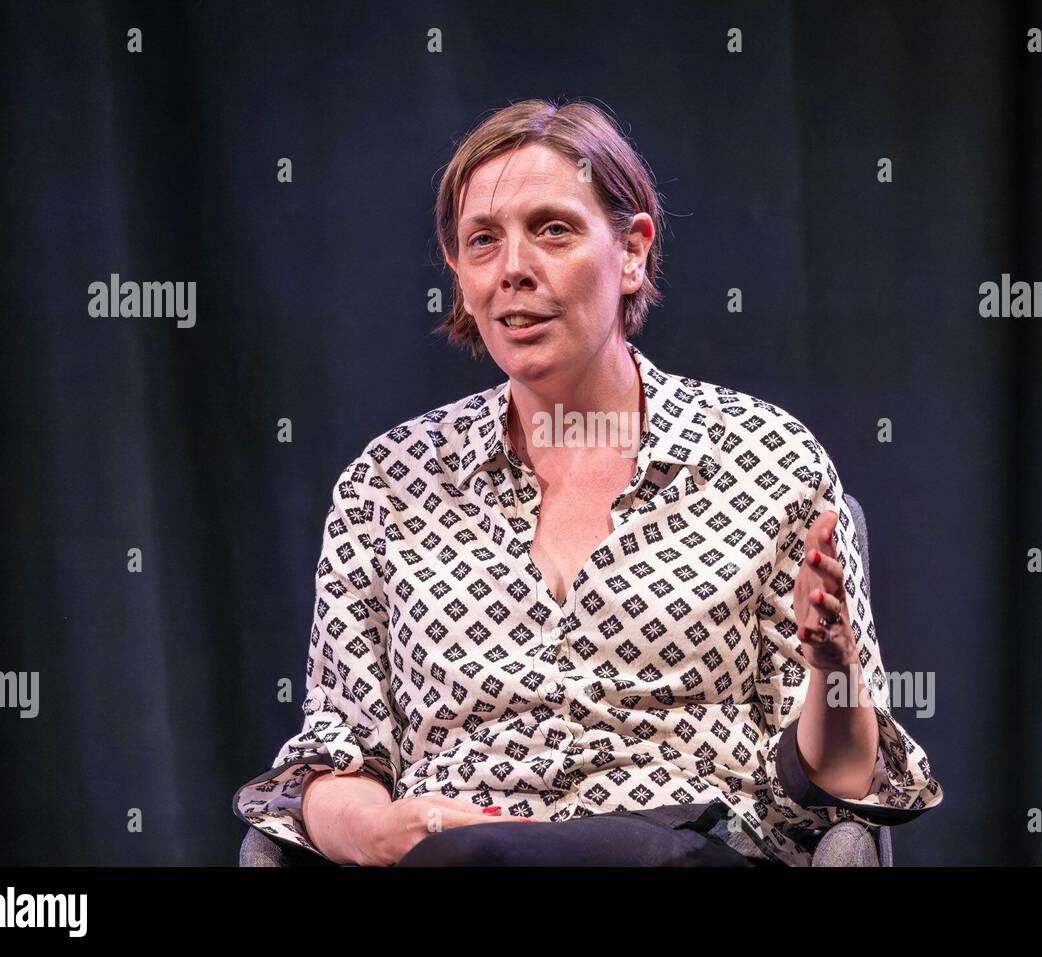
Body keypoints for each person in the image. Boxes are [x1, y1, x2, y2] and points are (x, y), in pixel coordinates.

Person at [232, 98, 943, 867]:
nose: (513, 270)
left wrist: (835, 673)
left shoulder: (764, 457)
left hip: (688, 845)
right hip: (459, 853)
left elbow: (833, 787)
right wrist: (378, 830)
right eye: (483, 242)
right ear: (459, 275)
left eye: (552, 229)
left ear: (632, 249)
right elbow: (336, 749)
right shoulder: (387, 485)